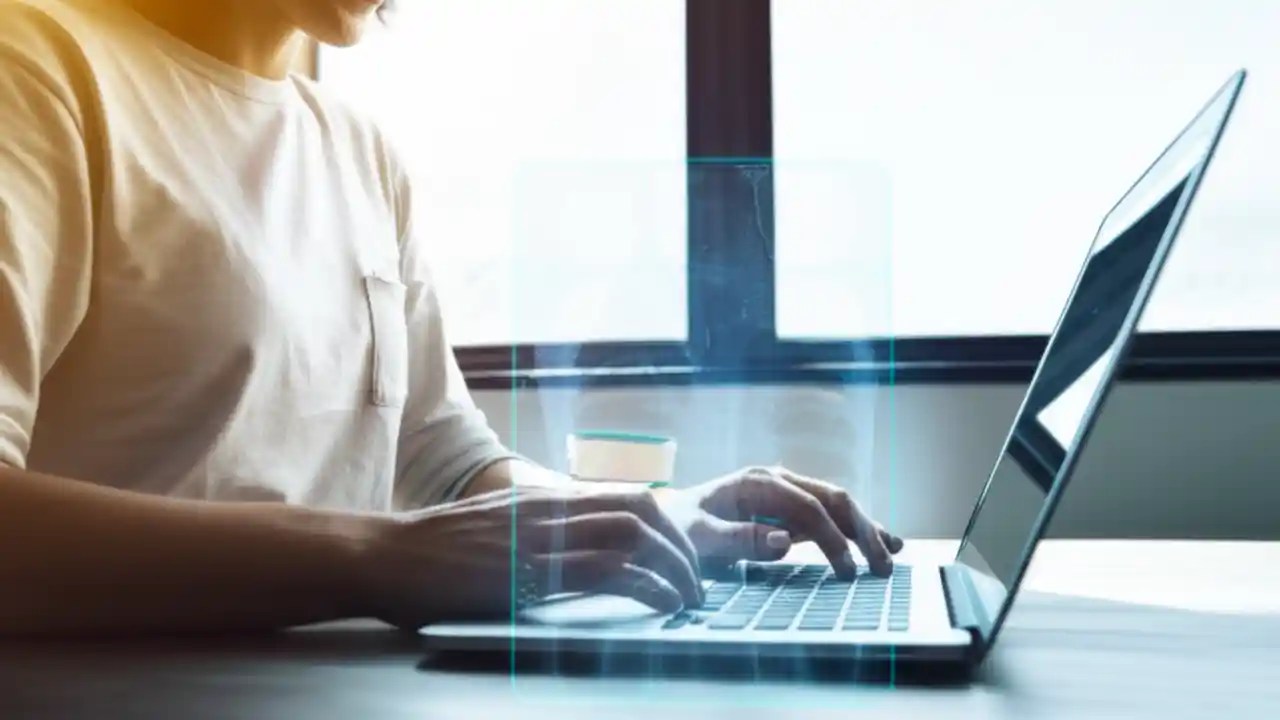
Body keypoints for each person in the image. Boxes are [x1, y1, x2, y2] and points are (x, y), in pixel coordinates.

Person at [0, 0, 902, 636]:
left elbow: (445, 464)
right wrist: (377, 557)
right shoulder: (37, 67)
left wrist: (667, 517)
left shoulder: (357, 150)